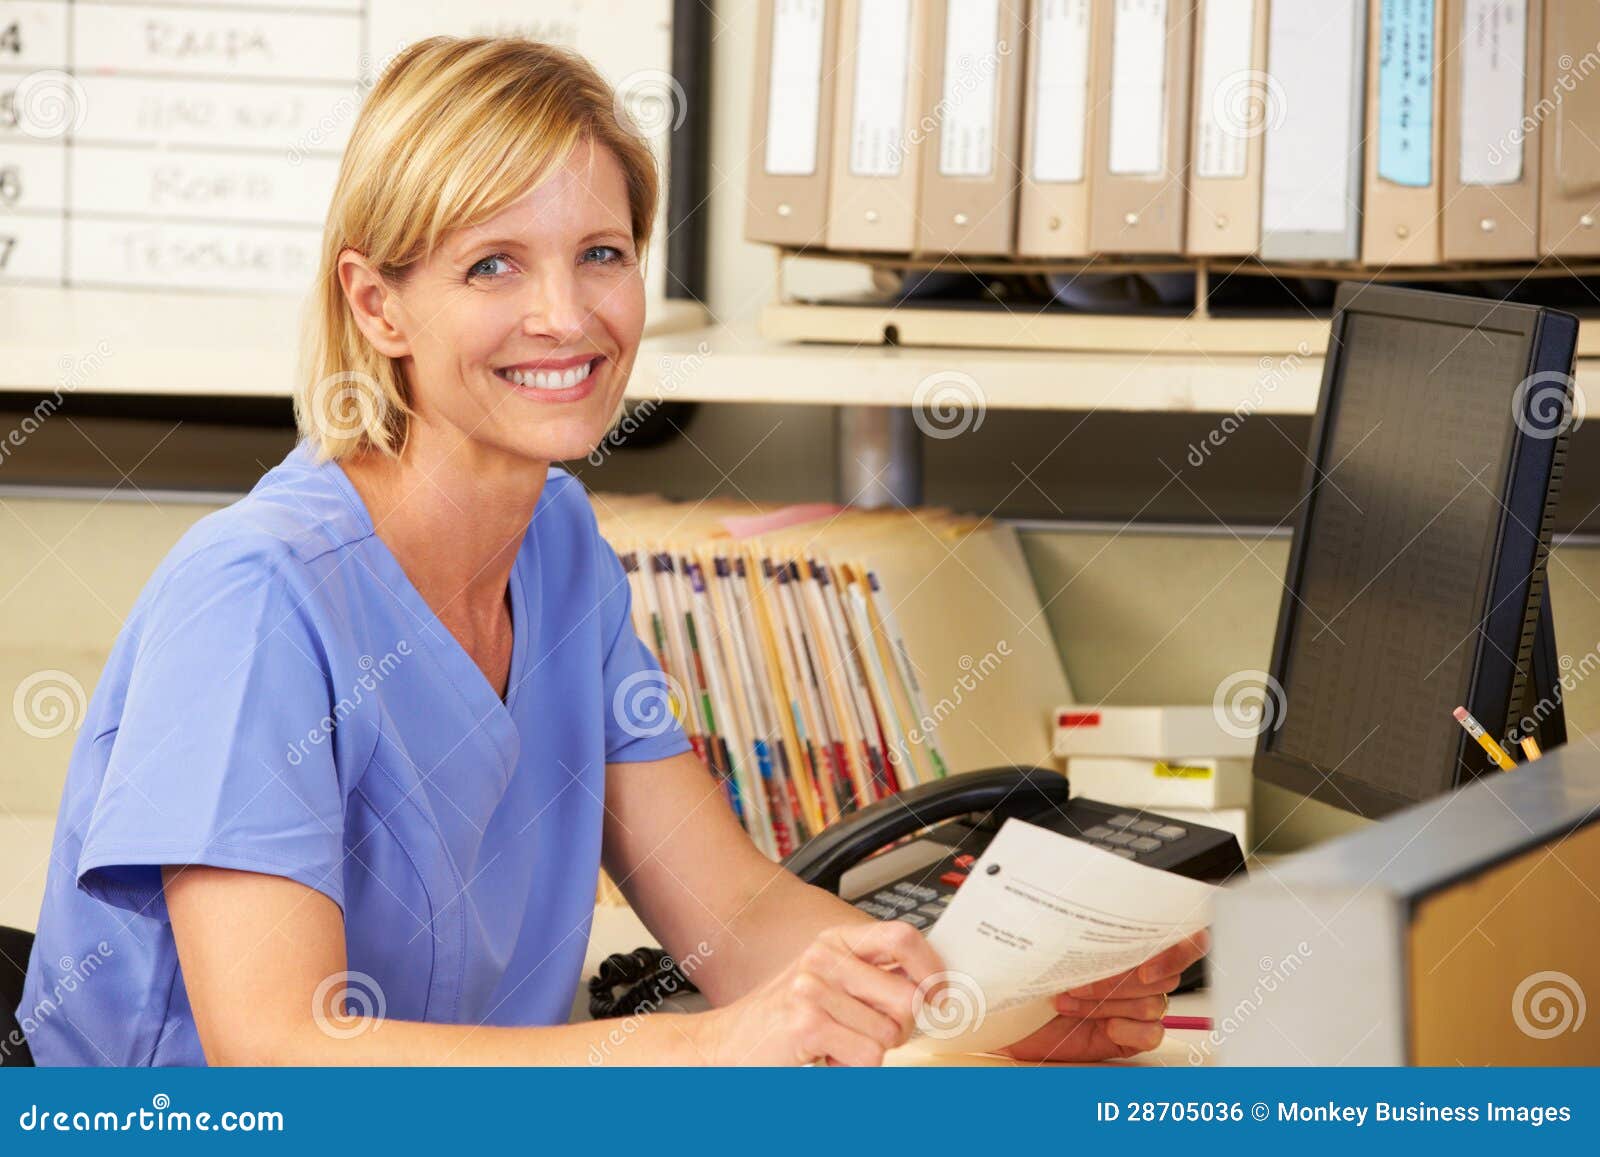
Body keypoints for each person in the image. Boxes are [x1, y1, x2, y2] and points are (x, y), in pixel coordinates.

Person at [18, 37, 1206, 1066]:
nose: (568, 316)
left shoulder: (559, 545)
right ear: (379, 307)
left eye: (601, 251)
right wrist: (705, 1043)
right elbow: (279, 1055)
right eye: (493, 263)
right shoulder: (256, 599)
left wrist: (973, 1007)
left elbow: (733, 917)